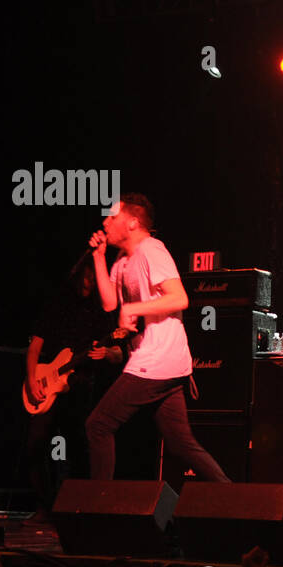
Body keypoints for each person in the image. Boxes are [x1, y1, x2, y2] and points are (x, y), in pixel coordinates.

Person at [85, 193, 229, 482]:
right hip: (164, 361)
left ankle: (97, 509)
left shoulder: (152, 249)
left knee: (98, 425)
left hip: (158, 359)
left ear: (133, 222)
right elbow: (109, 303)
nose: (105, 221)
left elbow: (180, 298)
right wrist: (99, 258)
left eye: (112, 216)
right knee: (181, 443)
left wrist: (135, 308)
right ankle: (238, 500)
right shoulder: (122, 260)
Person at [24, 259, 119, 512]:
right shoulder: (57, 304)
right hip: (46, 383)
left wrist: (107, 353)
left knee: (79, 449)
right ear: (77, 275)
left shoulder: (102, 309)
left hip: (80, 386)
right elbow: (34, 347)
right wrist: (32, 379)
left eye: (93, 279)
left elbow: (118, 353)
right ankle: (45, 508)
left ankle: (77, 509)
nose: (89, 283)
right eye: (86, 278)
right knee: (34, 446)